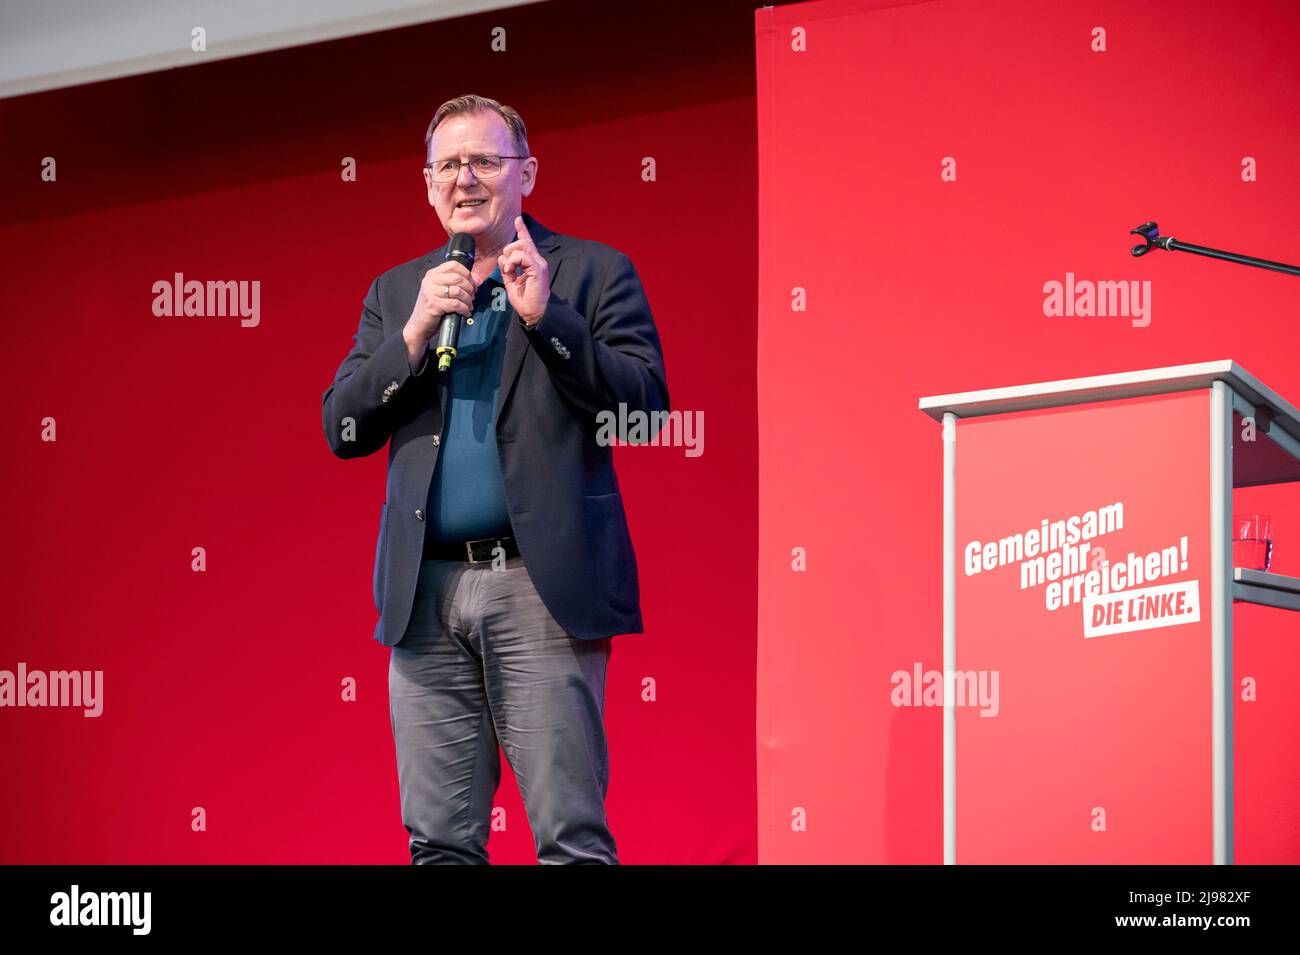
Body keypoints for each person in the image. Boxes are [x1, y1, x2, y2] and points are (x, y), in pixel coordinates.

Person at [320, 94, 669, 864]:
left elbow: (646, 413)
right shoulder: (399, 292)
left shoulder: (588, 272)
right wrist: (410, 337)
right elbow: (341, 427)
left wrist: (548, 320)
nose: (466, 179)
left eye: (485, 160)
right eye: (449, 164)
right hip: (424, 598)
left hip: (539, 585)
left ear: (526, 173)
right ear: (427, 183)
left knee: (570, 838)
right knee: (439, 843)